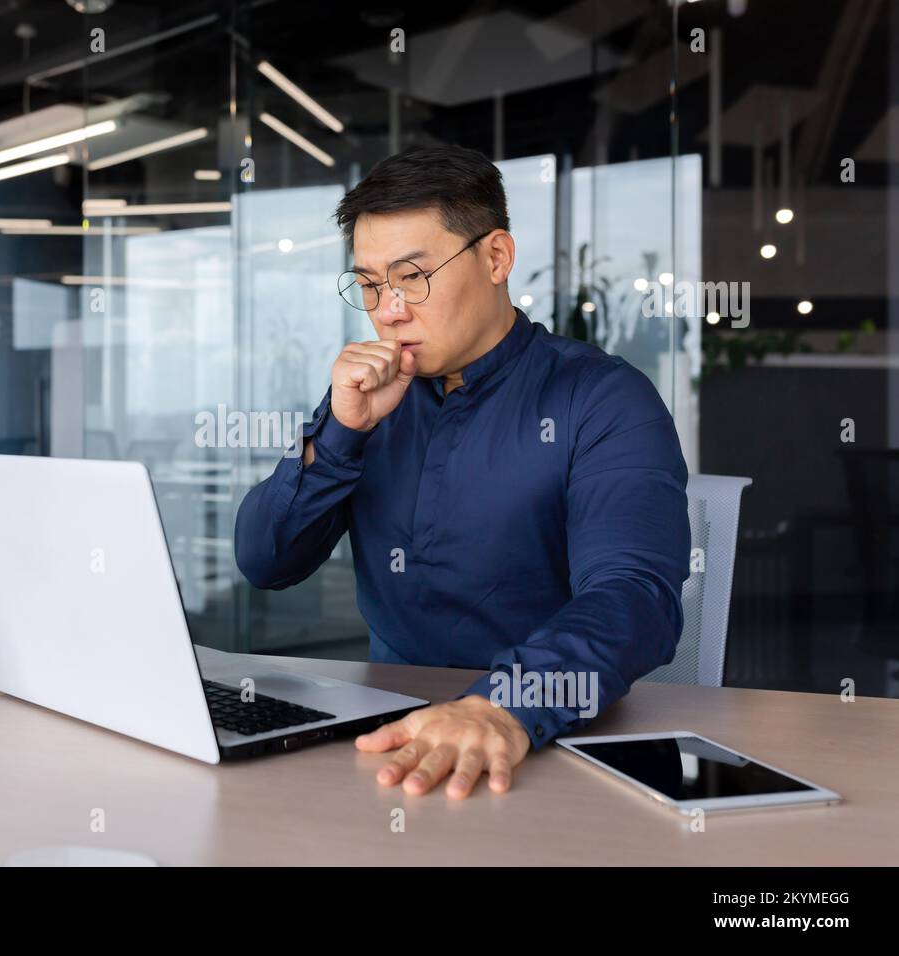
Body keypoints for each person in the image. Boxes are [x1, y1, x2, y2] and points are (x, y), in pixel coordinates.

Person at [234, 145, 690, 799]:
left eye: (412, 276)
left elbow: (634, 596)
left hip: (548, 744)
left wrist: (500, 706)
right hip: (390, 738)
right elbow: (265, 561)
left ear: (496, 257)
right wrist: (341, 432)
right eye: (368, 284)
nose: (387, 309)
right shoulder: (372, 395)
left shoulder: (603, 399)